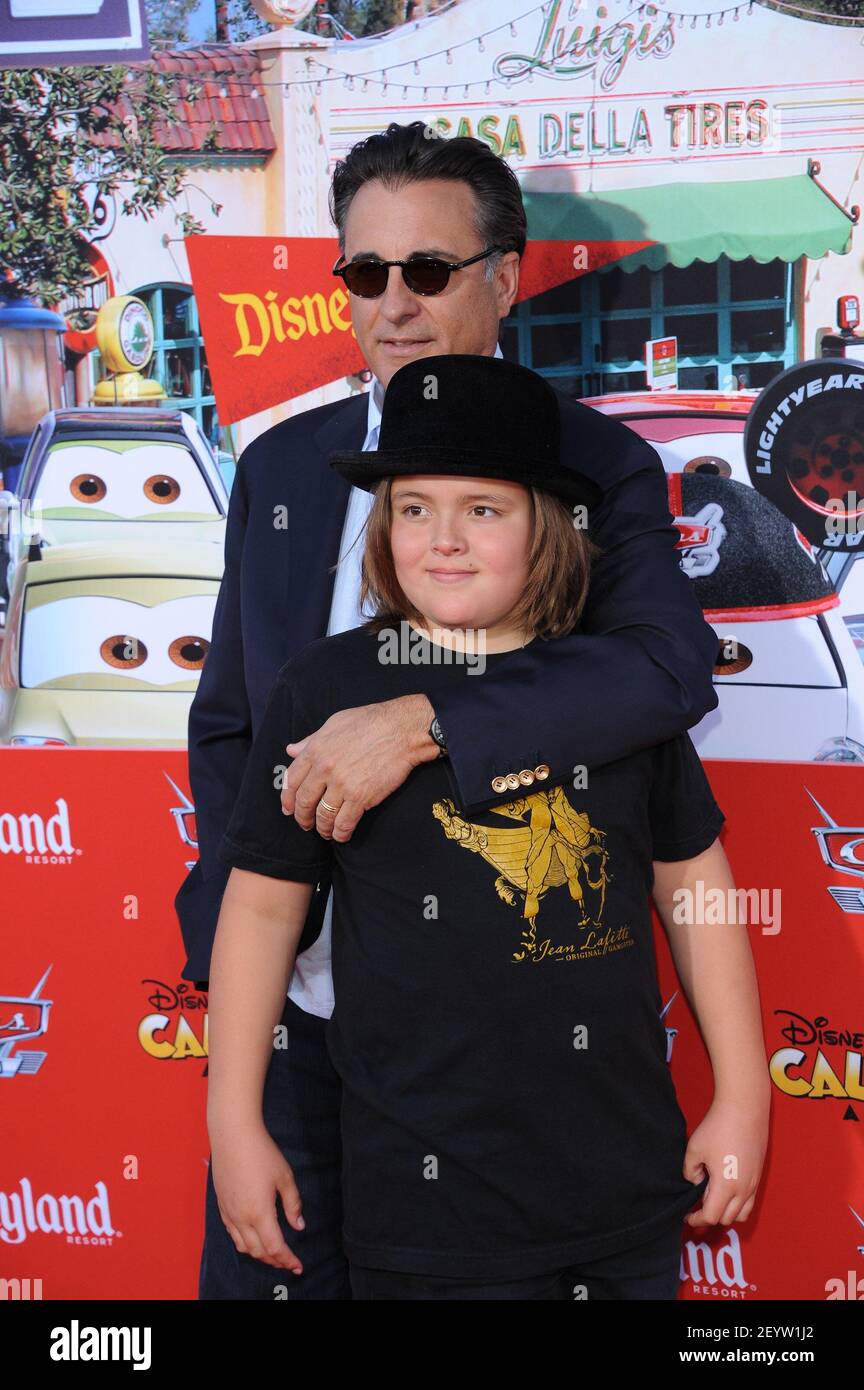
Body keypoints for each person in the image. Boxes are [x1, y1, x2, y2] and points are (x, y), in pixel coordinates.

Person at [182, 121, 722, 1301]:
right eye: (365, 272)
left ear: (503, 277)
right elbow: (231, 718)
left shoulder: (594, 465)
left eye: (427, 270)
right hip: (287, 1022)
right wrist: (237, 925)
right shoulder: (279, 467)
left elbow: (662, 671)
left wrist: (427, 718)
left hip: (480, 1063)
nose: (394, 303)